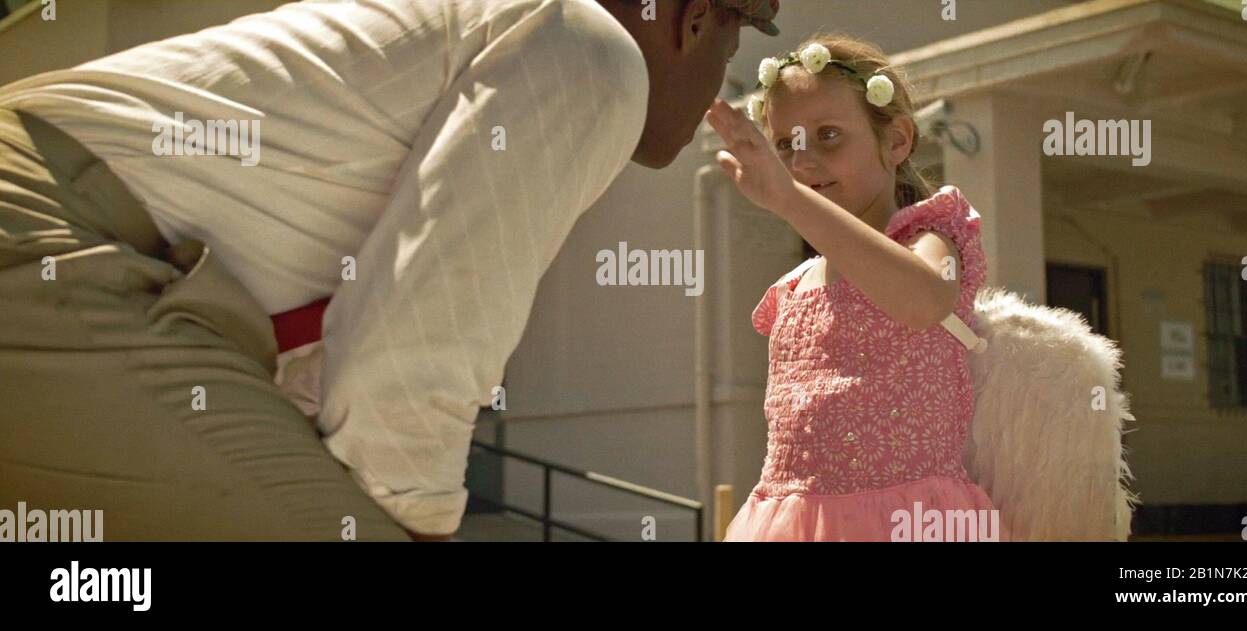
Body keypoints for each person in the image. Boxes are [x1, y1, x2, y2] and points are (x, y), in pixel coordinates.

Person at [0, 0, 780, 541]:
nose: (722, 83)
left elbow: (351, 359)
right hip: (53, 235)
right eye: (731, 51)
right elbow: (410, 370)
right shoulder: (596, 51)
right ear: (695, 20)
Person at [707, 34, 1005, 541]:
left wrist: (790, 200)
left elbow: (926, 300)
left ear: (896, 141)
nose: (802, 163)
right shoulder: (794, 288)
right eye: (786, 144)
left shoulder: (928, 239)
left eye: (828, 135)